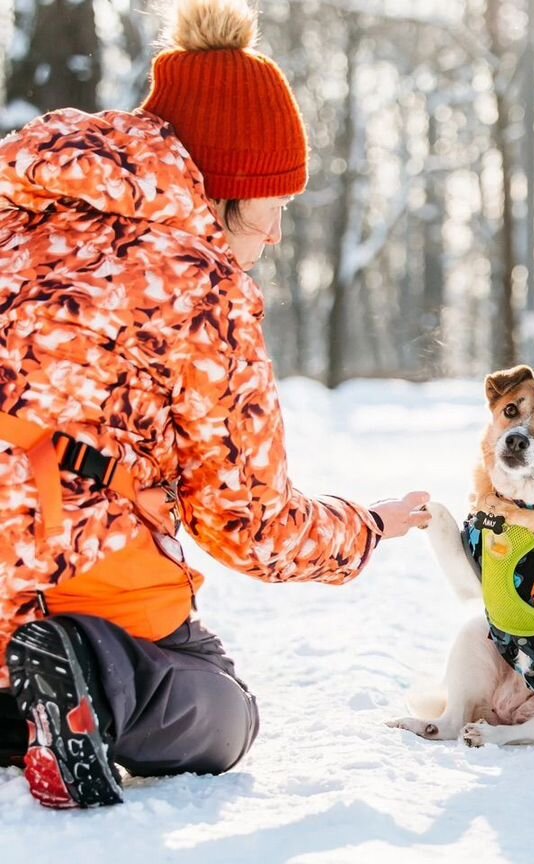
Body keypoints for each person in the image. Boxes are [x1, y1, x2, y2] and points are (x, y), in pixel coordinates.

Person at [0, 0, 430, 809]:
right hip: (80, 575)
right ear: (226, 190)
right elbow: (248, 523)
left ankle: (27, 707)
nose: (275, 237)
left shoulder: (17, 213)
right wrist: (366, 527)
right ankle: (91, 681)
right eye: (273, 209)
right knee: (222, 709)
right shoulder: (198, 280)